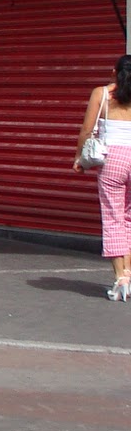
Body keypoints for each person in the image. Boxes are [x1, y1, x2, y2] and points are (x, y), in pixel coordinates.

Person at [74, 54, 131, 301]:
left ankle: (121, 279)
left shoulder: (103, 93)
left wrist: (79, 158)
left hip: (113, 160)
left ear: (114, 72)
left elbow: (87, 129)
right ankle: (129, 273)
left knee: (113, 216)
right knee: (129, 218)